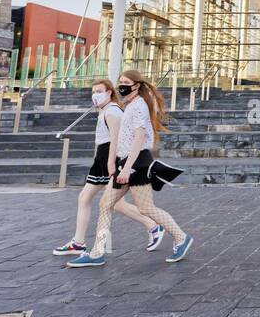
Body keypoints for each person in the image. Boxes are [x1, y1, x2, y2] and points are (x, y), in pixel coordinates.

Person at [68, 69, 193, 267]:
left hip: (136, 164)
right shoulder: (130, 105)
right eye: (120, 82)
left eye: (126, 82)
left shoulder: (139, 106)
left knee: (145, 207)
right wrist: (118, 164)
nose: (122, 85)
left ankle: (181, 237)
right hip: (124, 163)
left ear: (136, 85)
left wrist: (126, 168)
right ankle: (97, 252)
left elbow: (140, 137)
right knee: (106, 204)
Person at [52, 79, 163, 257]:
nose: (95, 95)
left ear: (110, 92)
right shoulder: (105, 110)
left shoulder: (112, 111)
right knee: (109, 202)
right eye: (93, 91)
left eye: (99, 91)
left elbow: (116, 139)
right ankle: (152, 225)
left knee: (94, 199)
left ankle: (80, 243)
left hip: (108, 159)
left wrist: (111, 163)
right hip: (102, 158)